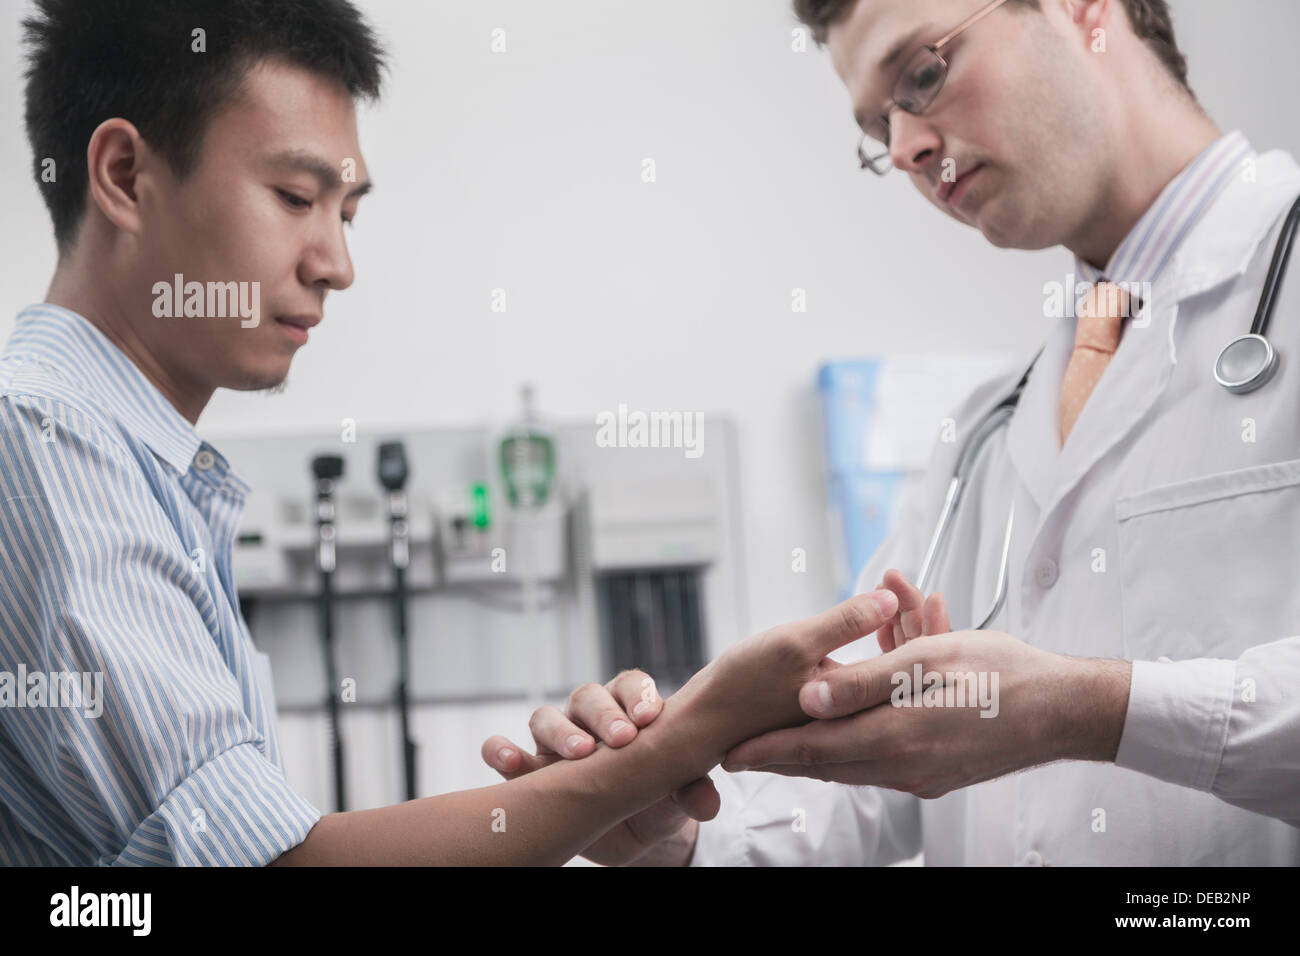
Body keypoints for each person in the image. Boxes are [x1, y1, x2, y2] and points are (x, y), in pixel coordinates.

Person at [0, 0, 902, 867]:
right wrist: (686, 738)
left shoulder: (139, 469)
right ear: (123, 176)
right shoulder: (43, 444)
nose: (337, 266)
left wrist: (613, 791)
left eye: (346, 214)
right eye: (293, 196)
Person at [485, 0, 1300, 865]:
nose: (907, 145)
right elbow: (867, 790)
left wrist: (1088, 709)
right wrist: (672, 833)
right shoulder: (987, 431)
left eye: (922, 74)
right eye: (881, 125)